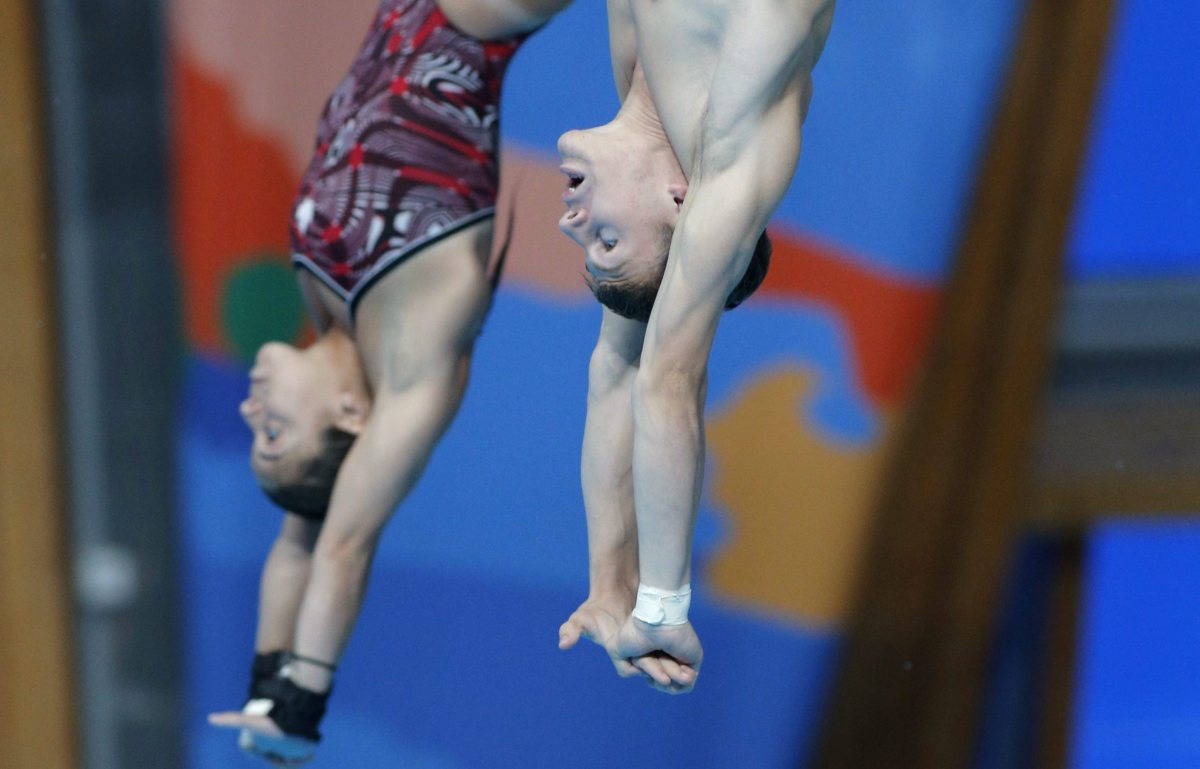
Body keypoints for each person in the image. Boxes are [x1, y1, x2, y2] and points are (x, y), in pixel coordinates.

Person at [206, 0, 569, 762]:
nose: (249, 404)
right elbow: (342, 541)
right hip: (472, 24)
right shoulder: (414, 359)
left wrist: (266, 678)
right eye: (273, 431)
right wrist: (300, 704)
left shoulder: (327, 307)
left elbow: (297, 541)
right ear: (348, 413)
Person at [554, 0, 836, 694]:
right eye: (607, 243)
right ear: (683, 207)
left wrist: (608, 581)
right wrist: (661, 605)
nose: (570, 223)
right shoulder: (731, 157)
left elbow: (614, 371)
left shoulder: (642, 86)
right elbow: (664, 376)